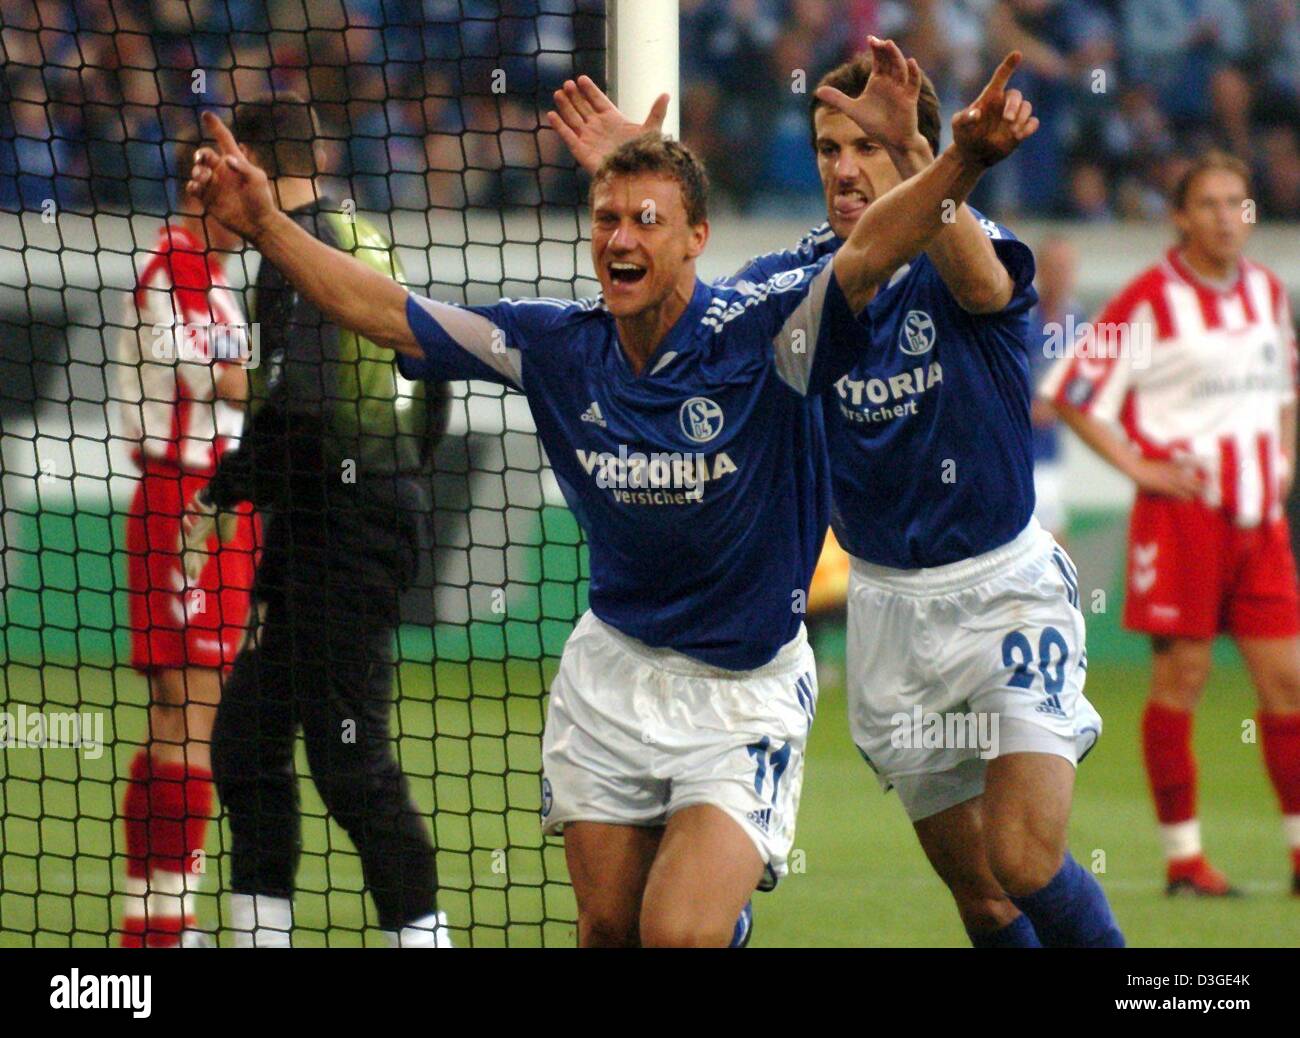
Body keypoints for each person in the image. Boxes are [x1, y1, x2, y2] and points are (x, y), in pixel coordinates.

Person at [185, 54, 1034, 946]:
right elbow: (392, 312)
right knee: (609, 931)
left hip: (744, 693)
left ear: (696, 237)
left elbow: (870, 253)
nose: (620, 240)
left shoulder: (770, 335)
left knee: (675, 934)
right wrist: (270, 228)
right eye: (606, 219)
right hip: (614, 681)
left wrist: (955, 161)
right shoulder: (554, 347)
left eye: (646, 221)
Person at [549, 38, 1122, 949]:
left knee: (1024, 857)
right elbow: (695, 320)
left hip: (1004, 594)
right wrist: (641, 185)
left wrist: (935, 163)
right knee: (982, 899)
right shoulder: (792, 289)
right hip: (888, 612)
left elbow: (979, 280)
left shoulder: (974, 251)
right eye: (828, 149)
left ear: (916, 148)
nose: (845, 168)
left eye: (867, 145)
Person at [184, 95, 453, 946]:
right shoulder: (358, 236)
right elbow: (430, 363)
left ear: (254, 168)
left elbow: (299, 410)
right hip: (339, 514)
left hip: (342, 522)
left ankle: (424, 936)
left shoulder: (299, 256)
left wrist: (220, 490)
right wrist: (407, 470)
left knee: (348, 758)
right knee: (248, 741)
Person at [1044, 150, 1300, 897]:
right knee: (1180, 679)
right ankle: (1184, 859)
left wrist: (1283, 460)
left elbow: (1285, 388)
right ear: (1182, 217)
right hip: (1182, 519)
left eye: (1239, 203)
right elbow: (1072, 391)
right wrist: (1141, 469)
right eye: (1212, 204)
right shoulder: (1149, 299)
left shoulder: (1268, 294)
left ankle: (1295, 853)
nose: (1228, 217)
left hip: (1261, 522)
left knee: (1286, 684)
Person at [110, 131, 257, 947]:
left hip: (210, 506)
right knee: (190, 714)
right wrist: (278, 369)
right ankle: (167, 929)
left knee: (180, 716)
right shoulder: (173, 268)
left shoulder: (219, 282)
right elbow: (223, 376)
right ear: (207, 191)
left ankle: (156, 923)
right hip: (184, 503)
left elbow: (238, 373)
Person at [1027, 235, 1086, 542]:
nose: (1061, 275)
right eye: (1054, 267)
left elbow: (1083, 379)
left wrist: (1061, 405)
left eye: (1067, 267)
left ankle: (1063, 591)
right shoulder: (1020, 316)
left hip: (1049, 450)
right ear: (1040, 270)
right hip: (1015, 446)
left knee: (1051, 537)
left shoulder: (1077, 320)